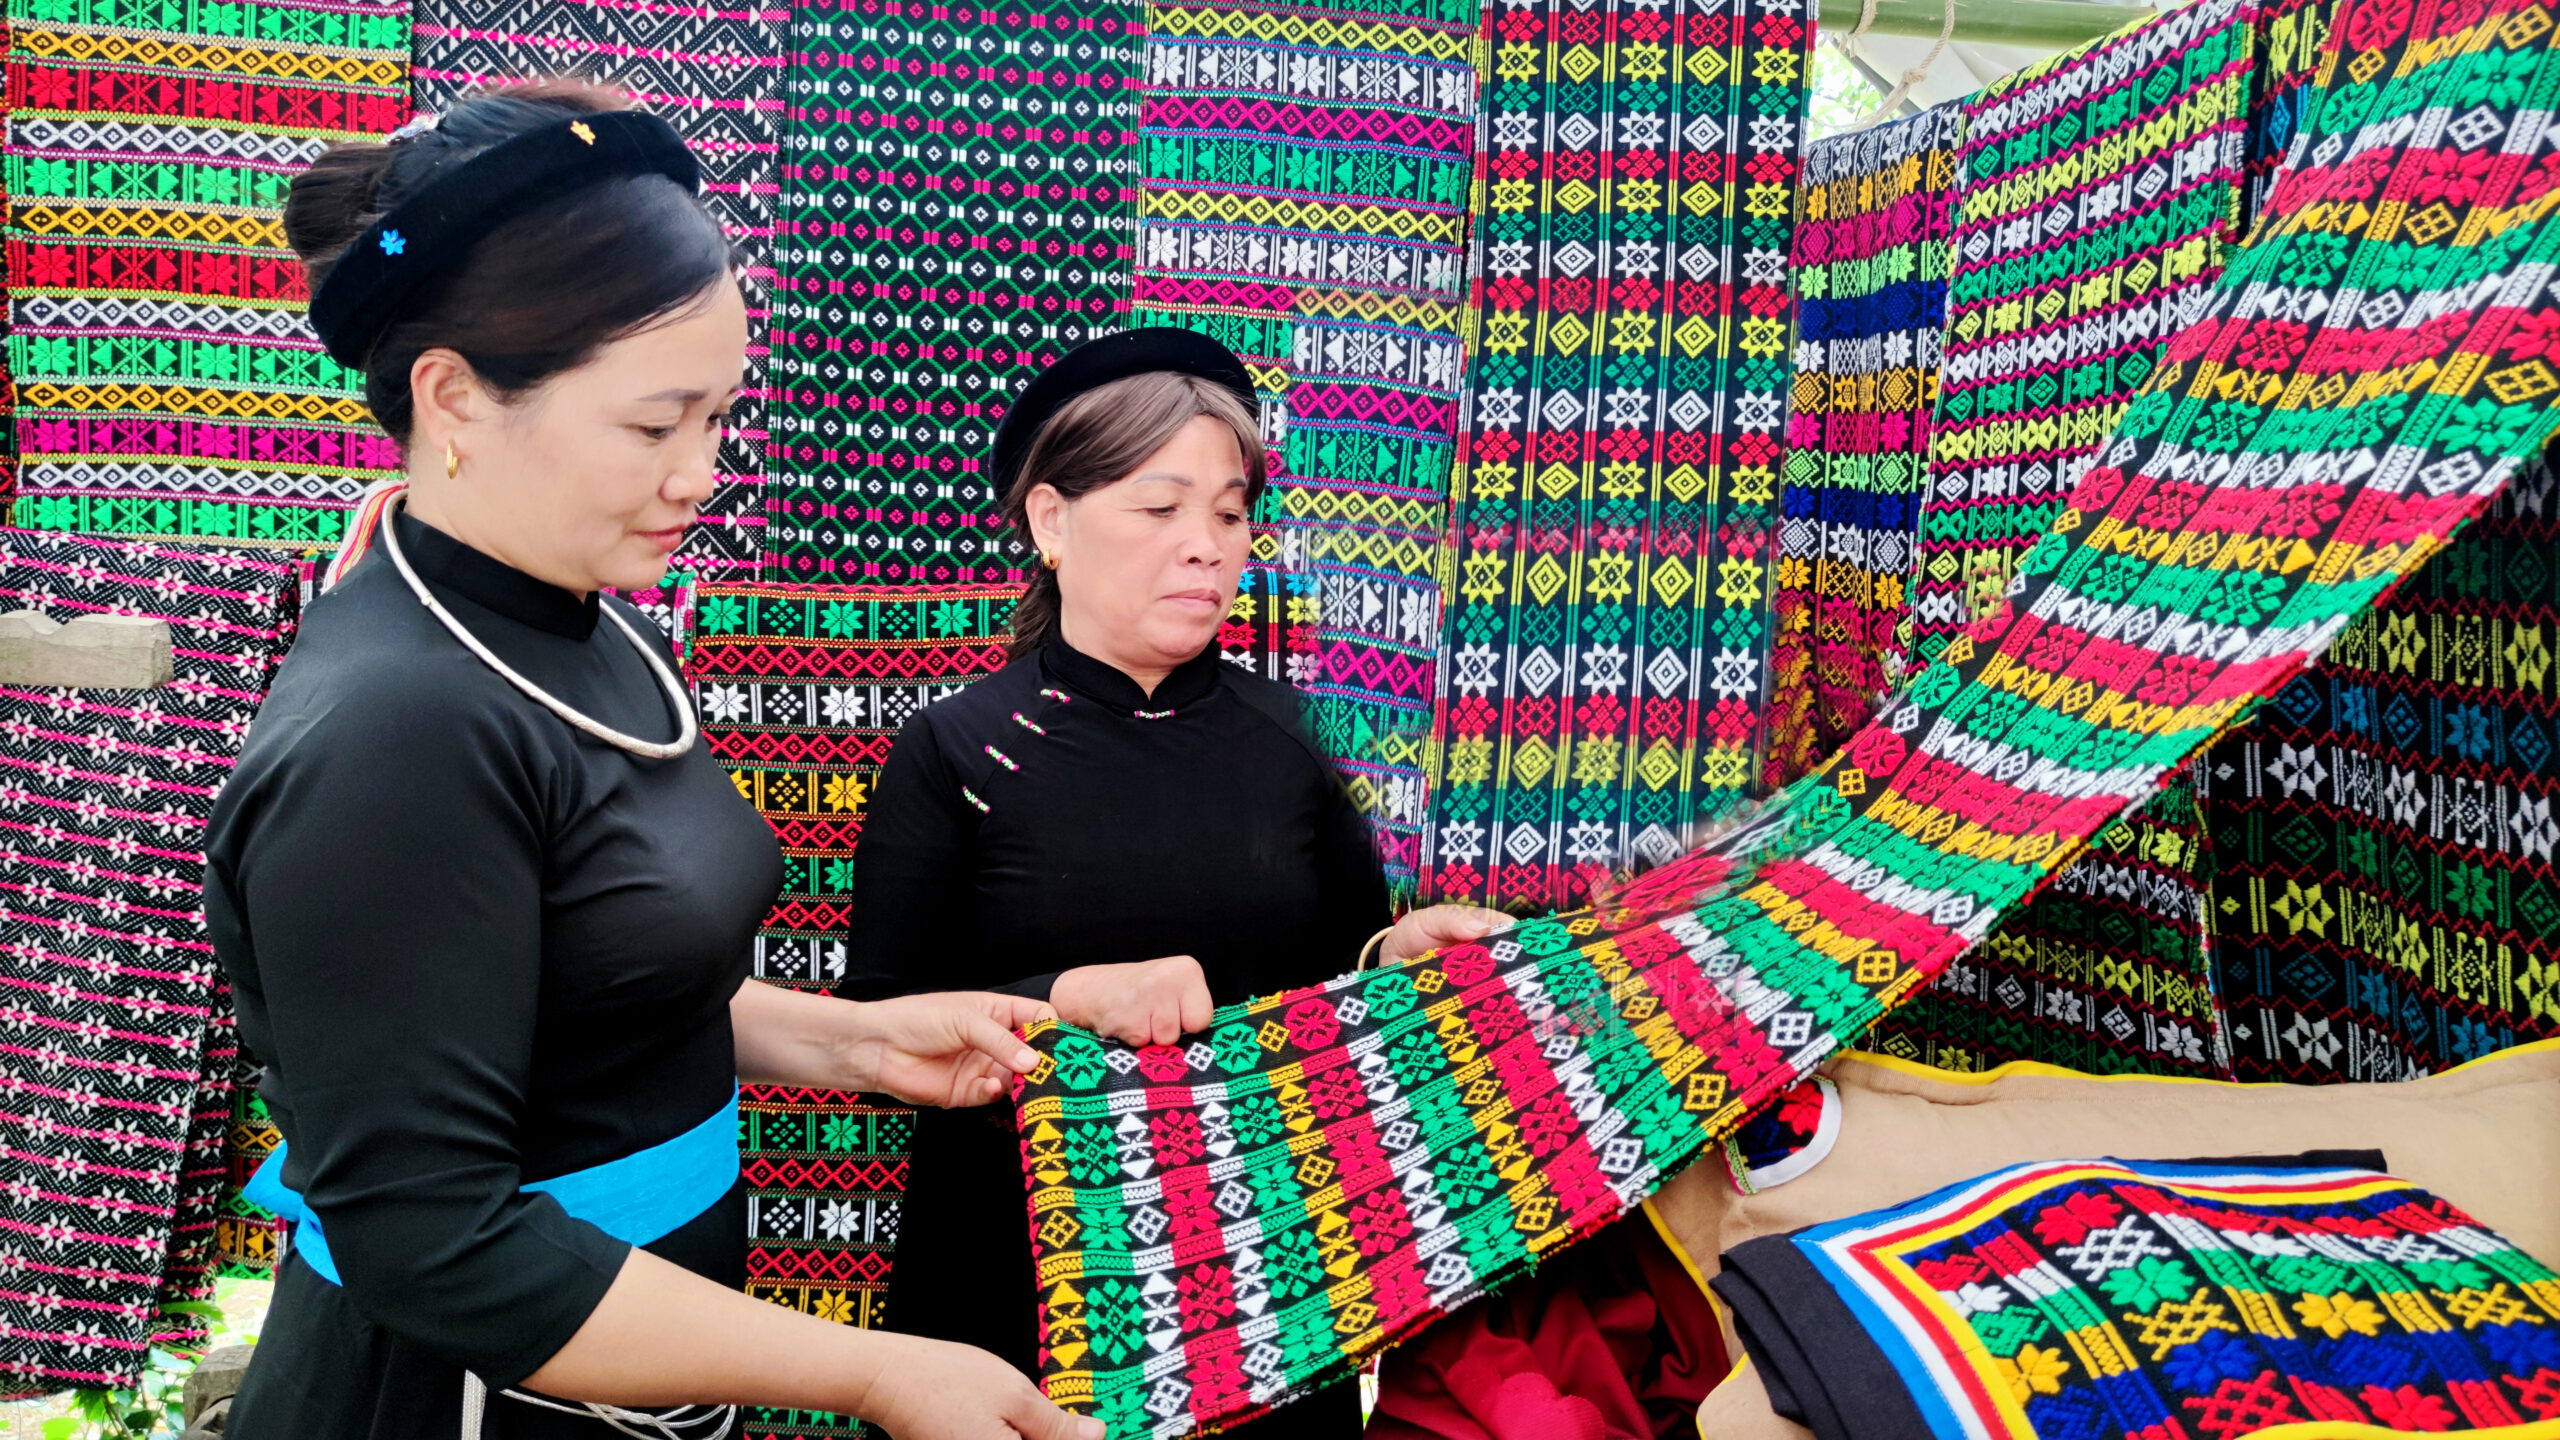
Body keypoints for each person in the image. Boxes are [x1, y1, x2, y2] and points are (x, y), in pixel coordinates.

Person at [205, 81, 1099, 1440]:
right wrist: (872, 1369)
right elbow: (433, 1239)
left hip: (618, 1374)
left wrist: (852, 1042)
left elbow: (579, 987)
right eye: (653, 426)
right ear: (453, 398)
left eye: (718, 421)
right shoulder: (400, 735)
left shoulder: (577, 624)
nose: (701, 475)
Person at [841, 327, 1512, 1437]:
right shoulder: (957, 752)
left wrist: (1399, 957)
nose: (1206, 547)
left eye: (1230, 512)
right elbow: (871, 1037)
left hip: (1262, 1283)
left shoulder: (1290, 739)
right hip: (1020, 1279)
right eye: (1160, 511)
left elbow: (1333, 982)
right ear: (1051, 522)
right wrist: (1066, 1001)